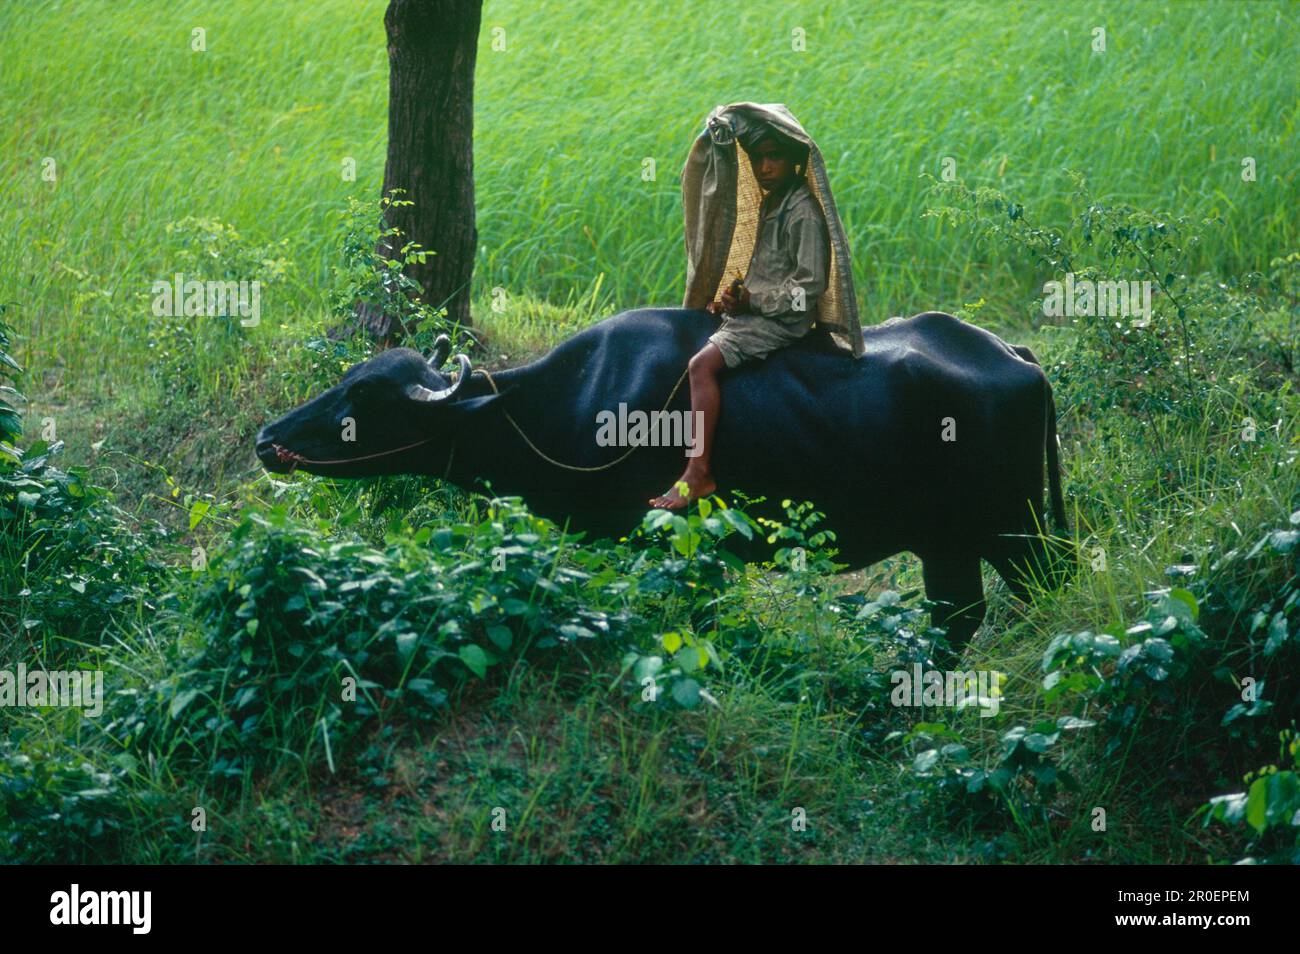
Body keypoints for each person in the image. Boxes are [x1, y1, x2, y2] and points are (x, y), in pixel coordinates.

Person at [648, 127, 831, 510]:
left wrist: (755, 302)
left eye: (774, 157)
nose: (765, 167)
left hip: (785, 319)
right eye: (758, 158)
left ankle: (698, 472)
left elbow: (807, 288)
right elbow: (770, 270)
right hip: (762, 309)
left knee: (701, 365)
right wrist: (735, 299)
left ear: (794, 160)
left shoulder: (803, 212)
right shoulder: (776, 201)